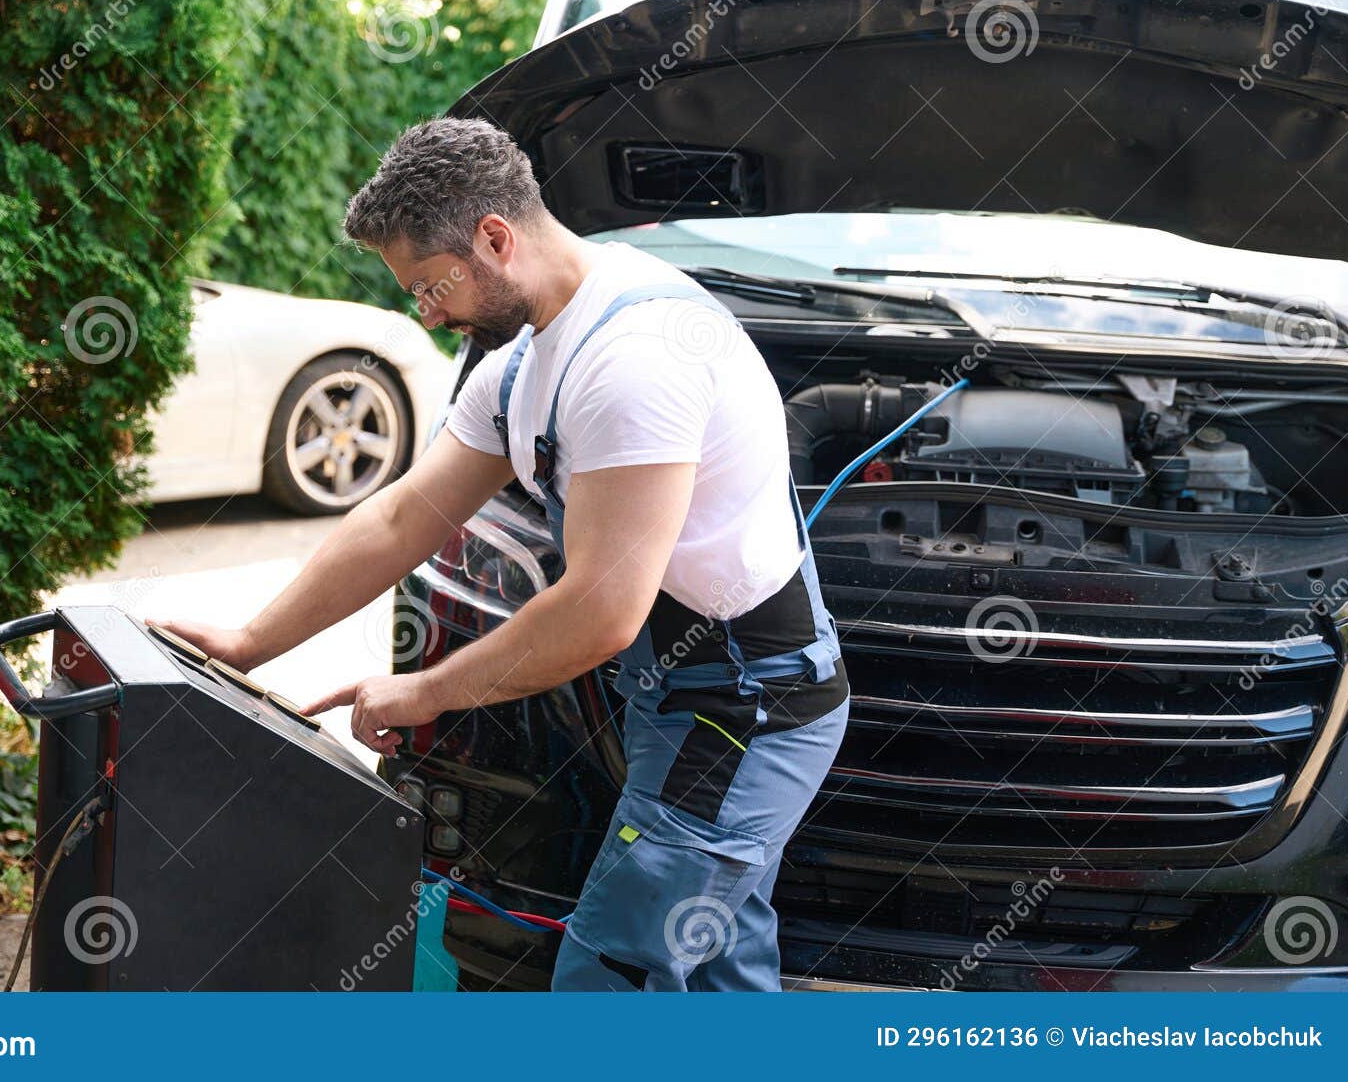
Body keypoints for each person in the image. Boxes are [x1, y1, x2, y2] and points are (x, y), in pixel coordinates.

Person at [154, 117, 849, 991]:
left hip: (743, 713)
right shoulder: (529, 355)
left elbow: (603, 607)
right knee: (718, 969)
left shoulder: (634, 359)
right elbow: (406, 514)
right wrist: (250, 643)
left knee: (612, 976)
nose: (426, 312)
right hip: (676, 697)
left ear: (494, 238)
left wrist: (425, 691)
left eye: (428, 285)